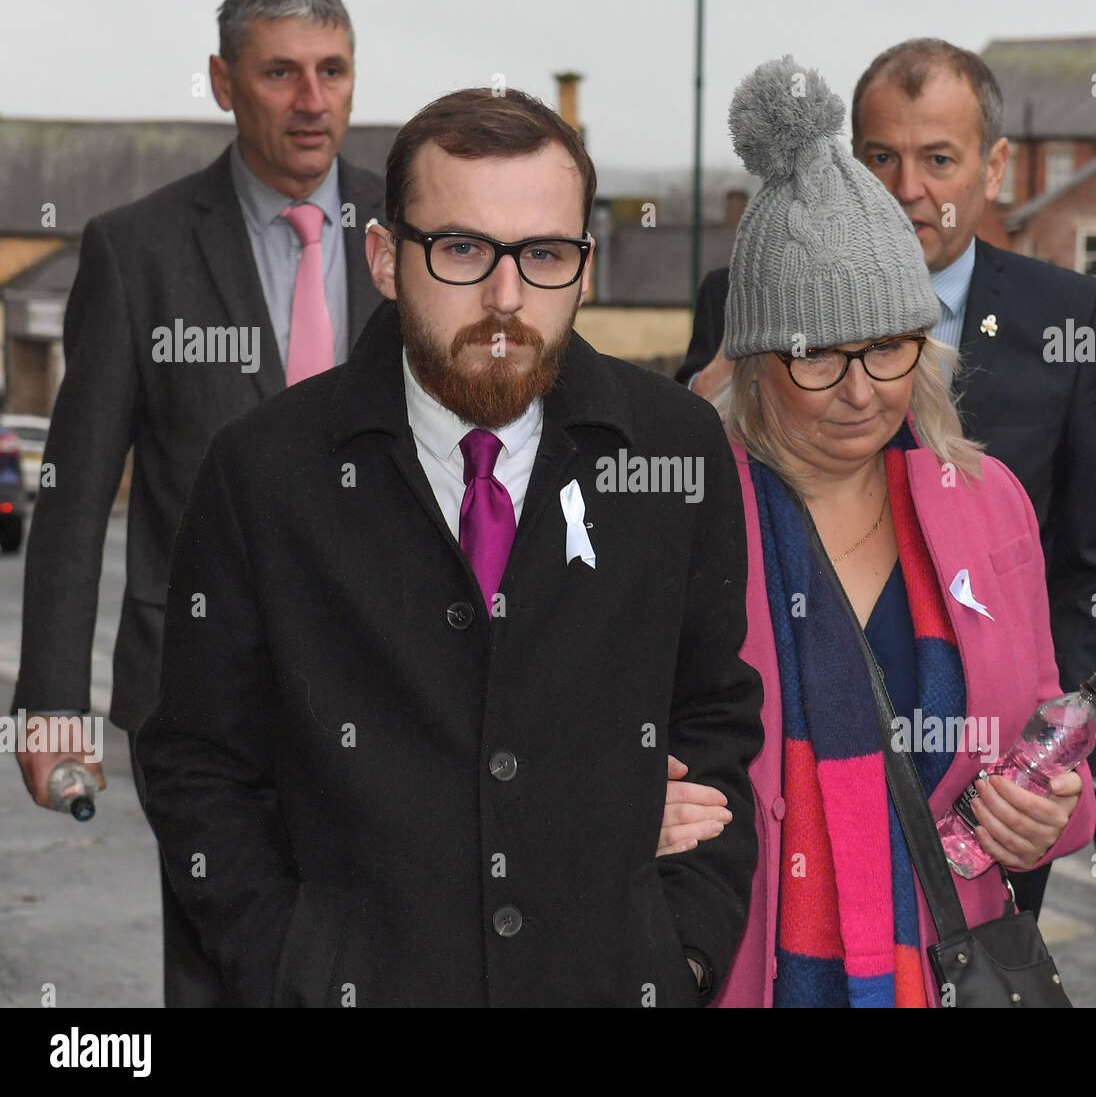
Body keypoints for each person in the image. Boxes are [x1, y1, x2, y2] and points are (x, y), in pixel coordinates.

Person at [134, 86, 763, 1007]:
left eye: (543, 254)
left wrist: (684, 953)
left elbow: (715, 718)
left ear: (586, 268)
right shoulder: (261, 472)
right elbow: (197, 760)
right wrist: (287, 964)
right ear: (386, 258)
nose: (506, 299)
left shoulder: (674, 449)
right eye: (463, 249)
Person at [671, 39, 1096, 920]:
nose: (859, 391)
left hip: (953, 908)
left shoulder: (995, 473)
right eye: (881, 156)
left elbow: (1090, 586)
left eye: (890, 349)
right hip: (756, 920)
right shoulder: (703, 503)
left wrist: (1057, 793)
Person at [11, 0, 386, 1006]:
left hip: (398, 686)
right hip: (203, 701)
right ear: (224, 82)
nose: (312, 100)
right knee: (226, 973)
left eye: (332, 71)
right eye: (280, 73)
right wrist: (49, 707)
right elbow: (77, 491)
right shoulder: (138, 252)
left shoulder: (415, 232)